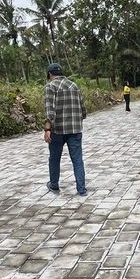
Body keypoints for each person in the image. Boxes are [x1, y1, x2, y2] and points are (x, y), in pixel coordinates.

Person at [43, 63, 87, 195]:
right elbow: (83, 109)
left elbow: (49, 110)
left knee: (54, 158)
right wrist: (78, 119)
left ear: (50, 74)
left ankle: (54, 185)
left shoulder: (50, 86)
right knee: (77, 159)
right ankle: (81, 189)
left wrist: (47, 129)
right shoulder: (74, 85)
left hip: (57, 130)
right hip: (75, 130)